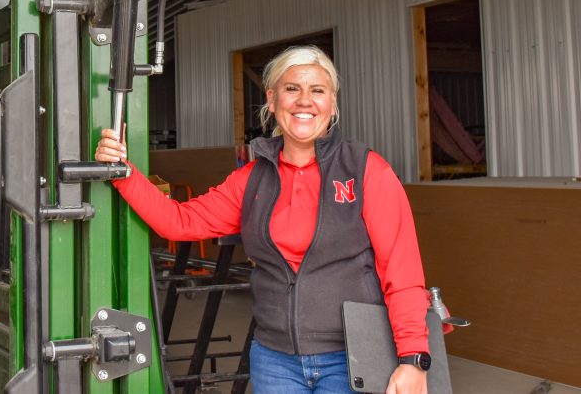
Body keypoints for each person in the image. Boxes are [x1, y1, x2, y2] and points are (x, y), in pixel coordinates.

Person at [95, 45, 430, 394]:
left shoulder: (366, 170)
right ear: (272, 100)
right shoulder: (252, 178)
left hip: (352, 357)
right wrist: (123, 173)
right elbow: (181, 222)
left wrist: (413, 358)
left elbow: (403, 273)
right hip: (275, 359)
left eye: (317, 90)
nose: (304, 101)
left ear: (332, 103)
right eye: (292, 89)